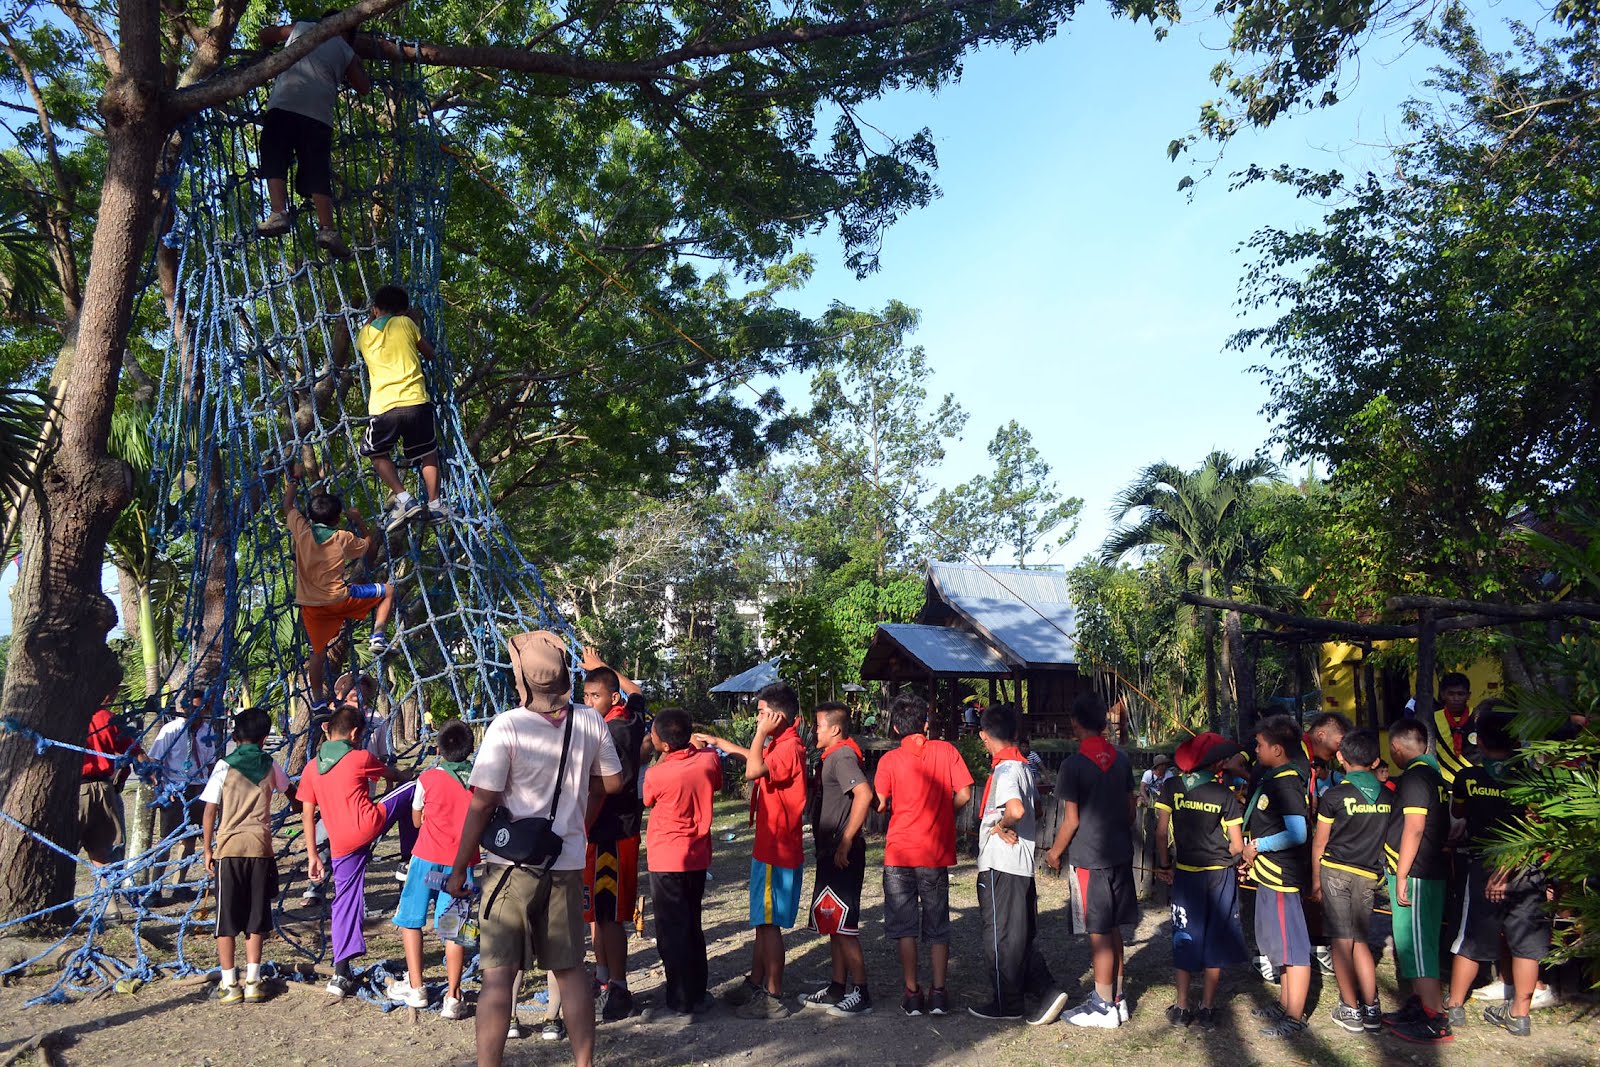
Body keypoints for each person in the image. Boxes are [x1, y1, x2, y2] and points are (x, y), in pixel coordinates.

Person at [444, 629, 624, 1067]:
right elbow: (613, 781)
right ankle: (584, 1063)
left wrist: (457, 867)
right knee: (571, 970)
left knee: (498, 975)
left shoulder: (507, 725)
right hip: (564, 861)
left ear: (522, 680)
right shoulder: (590, 720)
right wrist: (581, 801)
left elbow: (482, 802)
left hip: (509, 868)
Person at [692, 683, 807, 1020]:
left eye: (760, 713)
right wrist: (724, 744)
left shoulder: (787, 748)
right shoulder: (781, 744)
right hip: (769, 845)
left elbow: (754, 769)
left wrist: (759, 734)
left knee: (769, 923)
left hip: (777, 849)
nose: (757, 718)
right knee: (761, 920)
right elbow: (759, 759)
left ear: (777, 716)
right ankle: (756, 983)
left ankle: (773, 994)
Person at [297, 705, 416, 998]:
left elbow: (307, 813)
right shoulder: (359, 757)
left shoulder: (312, 767)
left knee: (344, 900)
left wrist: (313, 854)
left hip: (339, 841)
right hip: (367, 824)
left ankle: (341, 971)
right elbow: (393, 774)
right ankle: (408, 858)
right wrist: (403, 773)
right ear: (354, 733)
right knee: (415, 787)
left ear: (328, 730)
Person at [1445, 722, 1549, 1038]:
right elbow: (1538, 826)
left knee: (1472, 938)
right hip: (1528, 868)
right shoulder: (1532, 779)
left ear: (1482, 743)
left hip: (1485, 866)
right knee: (1526, 945)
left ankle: (1455, 1007)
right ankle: (1519, 1016)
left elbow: (1458, 812)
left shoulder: (1468, 778)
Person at [873, 692, 973, 1017]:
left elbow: (881, 802)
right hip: (934, 851)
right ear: (926, 724)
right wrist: (946, 814)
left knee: (904, 926)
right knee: (937, 923)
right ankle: (940, 993)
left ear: (896, 728)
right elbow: (966, 793)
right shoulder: (946, 751)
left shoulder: (888, 761)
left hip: (899, 852)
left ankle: (912, 992)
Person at [1044, 692, 1136, 1029]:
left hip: (1089, 858)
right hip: (1120, 854)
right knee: (1113, 929)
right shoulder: (1122, 760)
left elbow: (1071, 820)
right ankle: (1118, 997)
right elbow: (1130, 810)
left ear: (1075, 724)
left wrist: (1054, 853)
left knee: (1097, 931)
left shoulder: (1073, 766)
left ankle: (1101, 1004)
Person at [970, 704, 1061, 1023]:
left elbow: (1018, 810)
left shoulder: (1007, 769)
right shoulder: (1023, 766)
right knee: (1019, 932)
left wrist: (1003, 824)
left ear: (983, 735)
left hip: (1001, 862)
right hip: (1021, 862)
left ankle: (1007, 1002)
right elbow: (1035, 810)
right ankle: (1045, 989)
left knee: (999, 934)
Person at [255, 13, 369, 257]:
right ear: (348, 33)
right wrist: (355, 61)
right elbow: (363, 87)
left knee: (274, 156)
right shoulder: (346, 51)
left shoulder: (305, 27)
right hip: (318, 118)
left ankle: (278, 213)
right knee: (316, 170)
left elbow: (266, 35)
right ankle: (327, 229)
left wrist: (271, 41)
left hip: (284, 105)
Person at [1153, 732, 1246, 1031]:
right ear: (1215, 764)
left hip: (1186, 873)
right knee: (1215, 936)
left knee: (1184, 934)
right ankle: (1207, 1007)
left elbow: (1160, 833)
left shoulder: (1171, 787)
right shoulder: (1224, 795)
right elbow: (1236, 845)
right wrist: (1239, 860)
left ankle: (1182, 1007)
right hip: (1219, 874)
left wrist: (1165, 865)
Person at [386, 719, 477, 1019]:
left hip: (426, 857)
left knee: (412, 919)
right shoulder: (478, 781)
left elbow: (415, 819)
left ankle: (417, 987)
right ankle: (453, 996)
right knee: (455, 928)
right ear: (470, 749)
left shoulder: (428, 778)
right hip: (462, 864)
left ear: (439, 749)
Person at [283, 467, 393, 707]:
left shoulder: (301, 531)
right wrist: (360, 521)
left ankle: (319, 701)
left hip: (312, 607)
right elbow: (368, 547)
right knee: (388, 590)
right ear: (337, 519)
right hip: (341, 599)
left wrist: (293, 480)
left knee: (317, 654)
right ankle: (378, 635)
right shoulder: (343, 537)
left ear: (310, 517)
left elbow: (288, 506)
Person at [200, 707, 289, 1005]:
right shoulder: (271, 765)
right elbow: (292, 792)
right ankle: (253, 980)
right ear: (264, 739)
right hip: (260, 849)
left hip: (229, 849)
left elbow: (210, 809)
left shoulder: (224, 766)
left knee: (226, 919)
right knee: (256, 917)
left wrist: (208, 848)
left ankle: (229, 984)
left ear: (236, 735)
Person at [1309, 728, 1391, 1035]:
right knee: (1360, 941)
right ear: (1376, 761)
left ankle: (1350, 1007)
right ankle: (1372, 1007)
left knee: (1340, 943)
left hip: (1335, 873)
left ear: (1340, 757)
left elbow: (1320, 842)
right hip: (1369, 875)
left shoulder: (1334, 795)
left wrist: (1316, 880)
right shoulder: (1388, 795)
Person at [641, 708, 722, 1015]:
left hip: (665, 858)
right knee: (691, 923)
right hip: (697, 855)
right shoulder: (709, 760)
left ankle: (679, 997)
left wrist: (663, 757)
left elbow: (648, 799)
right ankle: (698, 992)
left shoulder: (657, 773)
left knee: (670, 930)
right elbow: (715, 781)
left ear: (662, 745)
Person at [579, 661, 647, 1022]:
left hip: (612, 833)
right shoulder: (629, 716)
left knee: (610, 916)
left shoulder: (614, 731)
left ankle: (619, 988)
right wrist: (601, 666)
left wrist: (579, 827)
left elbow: (603, 788)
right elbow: (637, 692)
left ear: (612, 697)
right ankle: (603, 977)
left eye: (596, 695)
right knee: (597, 912)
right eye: (586, 695)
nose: (589, 701)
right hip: (603, 834)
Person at [1380, 717, 1453, 1043]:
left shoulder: (1415, 778)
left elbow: (1415, 827)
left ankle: (1434, 1018)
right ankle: (1419, 1006)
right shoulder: (1435, 776)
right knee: (1411, 944)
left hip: (1417, 873)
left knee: (1419, 946)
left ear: (1396, 748)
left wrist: (1403, 875)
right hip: (1425, 869)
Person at [799, 703, 875, 1018]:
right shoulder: (833, 756)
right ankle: (837, 986)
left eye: (818, 726)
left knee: (845, 926)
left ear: (835, 729)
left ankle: (861, 992)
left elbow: (865, 795)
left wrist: (846, 839)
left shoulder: (842, 756)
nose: (814, 731)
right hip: (830, 852)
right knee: (833, 921)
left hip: (842, 852)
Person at [356, 285, 452, 532]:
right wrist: (410, 320)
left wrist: (372, 314)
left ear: (375, 309)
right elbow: (429, 353)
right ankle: (435, 503)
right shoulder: (406, 325)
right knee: (428, 452)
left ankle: (403, 497)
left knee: (375, 453)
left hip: (384, 408)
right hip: (416, 402)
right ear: (403, 310)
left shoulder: (364, 335)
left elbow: (371, 323)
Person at [1241, 713, 1313, 1038]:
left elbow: (1298, 833)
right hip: (1268, 876)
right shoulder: (1276, 777)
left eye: (1259, 745)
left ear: (1278, 749)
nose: (1255, 750)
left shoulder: (1286, 782)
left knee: (1293, 948)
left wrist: (1258, 845)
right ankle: (1285, 1003)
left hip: (1283, 877)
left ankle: (1295, 1016)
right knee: (1279, 946)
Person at [149, 690, 220, 902]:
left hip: (199, 789)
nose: (196, 713)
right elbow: (154, 762)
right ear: (183, 709)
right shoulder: (170, 730)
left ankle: (180, 885)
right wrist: (162, 788)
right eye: (191, 708)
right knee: (166, 841)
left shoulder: (207, 732)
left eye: (201, 708)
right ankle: (155, 887)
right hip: (175, 791)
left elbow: (211, 762)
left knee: (189, 840)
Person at [79, 688, 141, 888]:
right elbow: (134, 752)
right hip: (104, 788)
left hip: (77, 789)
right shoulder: (110, 719)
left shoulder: (68, 718)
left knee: (66, 847)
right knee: (102, 849)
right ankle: (109, 904)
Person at [1429, 672, 1476, 787]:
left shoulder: (1477, 718)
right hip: (1444, 783)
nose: (1456, 699)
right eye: (1451, 694)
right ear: (1443, 695)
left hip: (1475, 782)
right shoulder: (1432, 719)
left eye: (1461, 694)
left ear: (1468, 695)